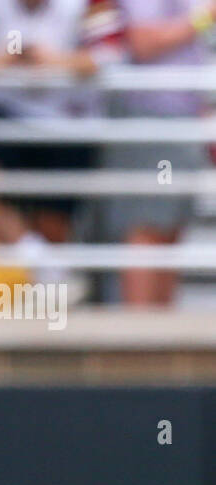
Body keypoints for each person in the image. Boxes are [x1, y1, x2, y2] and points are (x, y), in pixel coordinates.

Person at [0, 0, 123, 287]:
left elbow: (110, 55)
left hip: (68, 125)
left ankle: (48, 297)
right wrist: (3, 59)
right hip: (4, 117)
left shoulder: (89, 5)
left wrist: (52, 61)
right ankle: (40, 262)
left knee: (53, 225)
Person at [103, 0, 216, 305]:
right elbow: (142, 42)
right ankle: (140, 338)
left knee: (169, 229)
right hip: (152, 117)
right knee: (146, 227)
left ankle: (160, 333)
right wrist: (204, 17)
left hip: (182, 118)